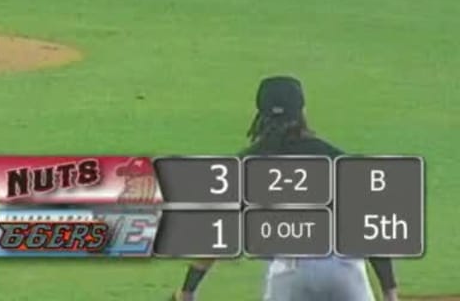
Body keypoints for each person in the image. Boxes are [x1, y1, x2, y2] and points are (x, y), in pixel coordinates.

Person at [171, 76, 401, 301]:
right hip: (344, 271)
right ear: (301, 111)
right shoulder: (334, 158)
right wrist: (389, 291)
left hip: (290, 274)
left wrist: (188, 289)